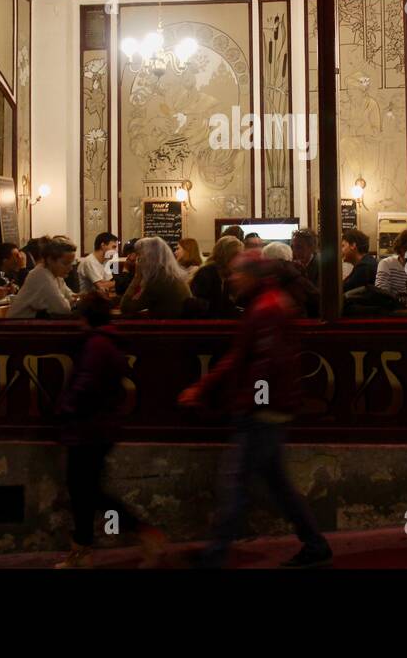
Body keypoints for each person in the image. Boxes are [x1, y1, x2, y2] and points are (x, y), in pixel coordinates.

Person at [178, 252, 333, 569]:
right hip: (271, 408)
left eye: (235, 273)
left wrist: (249, 403)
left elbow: (263, 363)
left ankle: (215, 555)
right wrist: (206, 387)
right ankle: (315, 545)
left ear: (250, 276)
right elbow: (243, 356)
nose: (231, 278)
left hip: (263, 412)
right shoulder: (268, 304)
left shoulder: (265, 309)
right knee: (276, 483)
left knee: (235, 483)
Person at [55, 294, 166, 569]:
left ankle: (143, 533)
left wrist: (64, 408)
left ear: (85, 318)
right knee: (84, 491)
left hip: (89, 427)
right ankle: (82, 551)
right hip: (97, 427)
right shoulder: (106, 342)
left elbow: (87, 384)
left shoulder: (96, 345)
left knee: (87, 492)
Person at [120, 237, 192, 317]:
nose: (137, 260)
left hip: (168, 327)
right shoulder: (168, 274)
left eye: (139, 255)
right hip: (176, 325)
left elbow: (125, 307)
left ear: (149, 257)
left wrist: (137, 277)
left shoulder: (158, 280)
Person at [8, 237, 77, 318]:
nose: (70, 268)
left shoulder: (56, 275)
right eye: (65, 263)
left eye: (71, 263)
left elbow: (72, 297)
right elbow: (63, 309)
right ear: (50, 260)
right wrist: (71, 301)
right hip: (18, 327)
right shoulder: (42, 275)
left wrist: (73, 300)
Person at [189, 235, 244, 317]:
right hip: (204, 326)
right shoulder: (207, 272)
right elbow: (200, 307)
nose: (239, 260)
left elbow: (226, 305)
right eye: (237, 256)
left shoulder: (224, 274)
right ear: (227, 256)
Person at [77, 232, 119, 296]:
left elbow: (108, 283)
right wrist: (121, 283)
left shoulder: (106, 261)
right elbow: (102, 286)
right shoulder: (89, 261)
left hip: (99, 298)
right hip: (87, 301)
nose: (116, 251)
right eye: (113, 247)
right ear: (103, 245)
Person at [340, 228, 378, 294]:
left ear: (353, 245)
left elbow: (342, 290)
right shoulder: (367, 262)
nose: (341, 251)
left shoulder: (364, 267)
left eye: (343, 246)